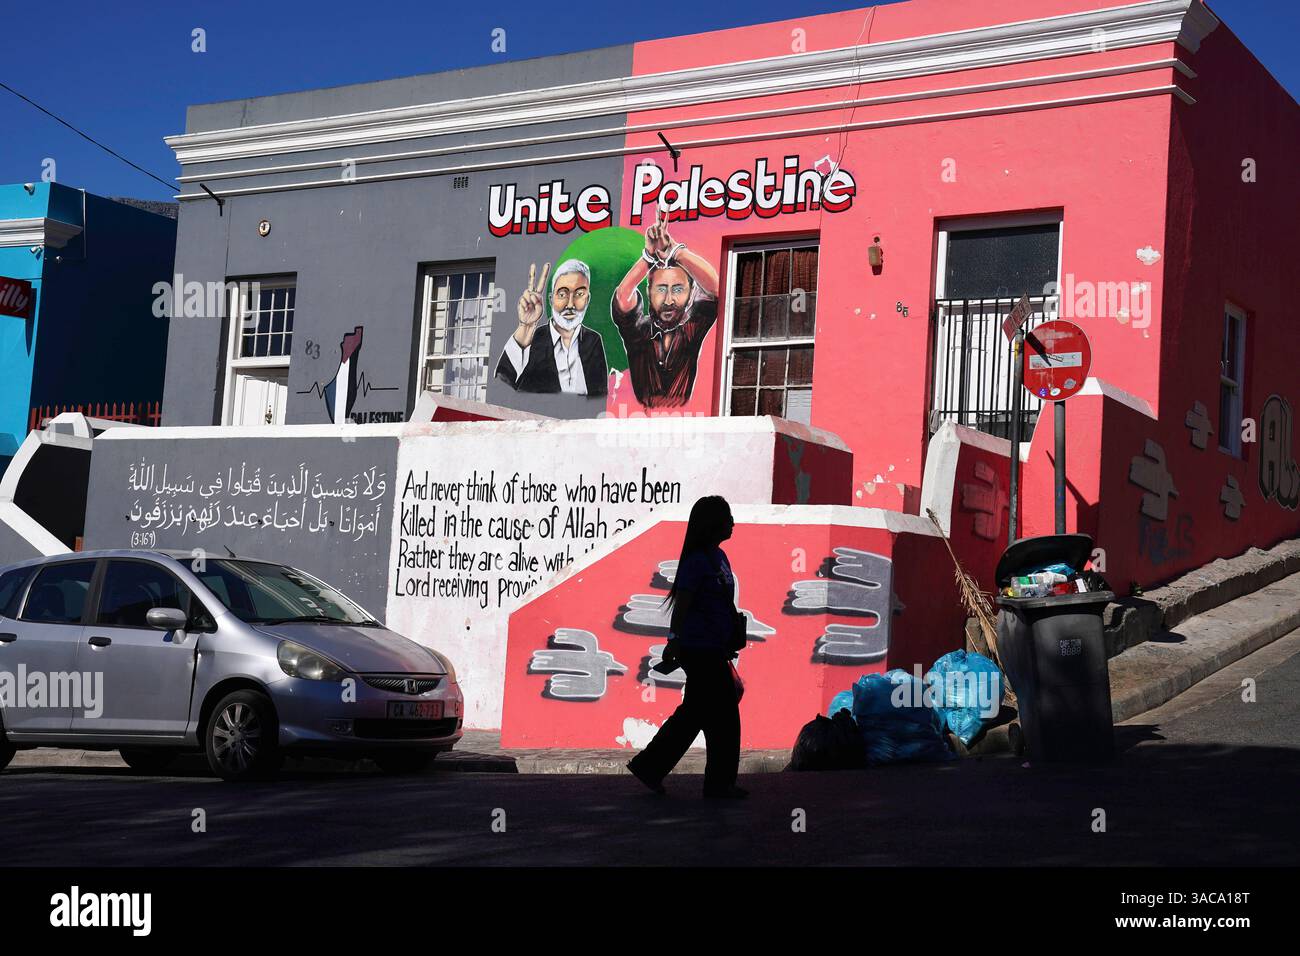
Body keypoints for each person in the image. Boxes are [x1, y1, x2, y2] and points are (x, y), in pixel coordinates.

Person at [627, 495, 748, 799]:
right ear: (712, 523)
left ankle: (650, 766)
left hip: (714, 647)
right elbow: (682, 604)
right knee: (723, 717)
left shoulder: (720, 558)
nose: (732, 523)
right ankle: (718, 784)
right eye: (726, 517)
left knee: (695, 714)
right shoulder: (696, 562)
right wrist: (674, 639)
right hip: (699, 649)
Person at [611, 209, 719, 408]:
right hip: (634, 421)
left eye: (678, 289)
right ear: (649, 291)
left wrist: (675, 251)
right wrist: (648, 257)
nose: (669, 300)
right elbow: (622, 296)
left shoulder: (692, 329)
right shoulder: (638, 332)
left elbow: (715, 289)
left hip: (688, 423)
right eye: (661, 289)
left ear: (691, 293)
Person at [496, 259, 608, 396]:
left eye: (579, 294)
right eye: (562, 294)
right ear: (551, 300)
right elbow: (501, 384)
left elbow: (600, 396)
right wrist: (526, 326)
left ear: (587, 299)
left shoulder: (593, 341)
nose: (570, 305)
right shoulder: (532, 340)